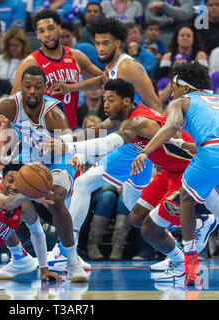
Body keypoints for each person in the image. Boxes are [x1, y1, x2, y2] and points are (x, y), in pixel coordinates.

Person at [44, 77, 217, 280]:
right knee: (135, 216)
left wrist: (67, 147)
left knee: (149, 229)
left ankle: (182, 259)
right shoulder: (127, 115)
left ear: (126, 101)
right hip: (168, 172)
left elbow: (107, 144)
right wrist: (61, 139)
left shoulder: (138, 122)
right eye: (104, 99)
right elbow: (96, 130)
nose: (105, 105)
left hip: (189, 171)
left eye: (111, 100)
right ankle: (194, 229)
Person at [40, 16, 162, 269]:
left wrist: (154, 145)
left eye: (106, 43)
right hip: (126, 137)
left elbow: (157, 106)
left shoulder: (129, 67)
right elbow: (101, 81)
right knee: (134, 206)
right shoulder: (113, 67)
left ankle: (66, 250)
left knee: (83, 183)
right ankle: (177, 253)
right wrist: (72, 88)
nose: (101, 49)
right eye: (97, 43)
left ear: (119, 42)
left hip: (136, 140)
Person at [0, 65, 90, 282]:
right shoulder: (10, 103)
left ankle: (72, 260)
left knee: (54, 199)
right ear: (21, 87)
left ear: (45, 88)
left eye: (37, 87)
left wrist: (72, 151)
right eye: (27, 86)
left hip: (58, 160)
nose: (32, 91)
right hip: (29, 160)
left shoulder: (53, 113)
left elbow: (69, 138)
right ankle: (20, 257)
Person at [131, 61, 219, 286]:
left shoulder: (181, 102)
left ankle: (189, 264)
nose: (171, 91)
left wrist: (146, 152)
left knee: (186, 198)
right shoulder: (215, 100)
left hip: (210, 154)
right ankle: (204, 225)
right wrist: (181, 143)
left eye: (173, 85)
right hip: (209, 151)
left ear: (185, 87)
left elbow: (169, 126)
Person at [11, 9, 104, 130]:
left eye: (51, 28)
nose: (47, 34)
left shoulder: (76, 56)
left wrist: (72, 87)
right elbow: (13, 102)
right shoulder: (30, 62)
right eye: (41, 31)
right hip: (42, 131)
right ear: (38, 35)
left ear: (59, 29)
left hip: (71, 128)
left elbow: (104, 80)